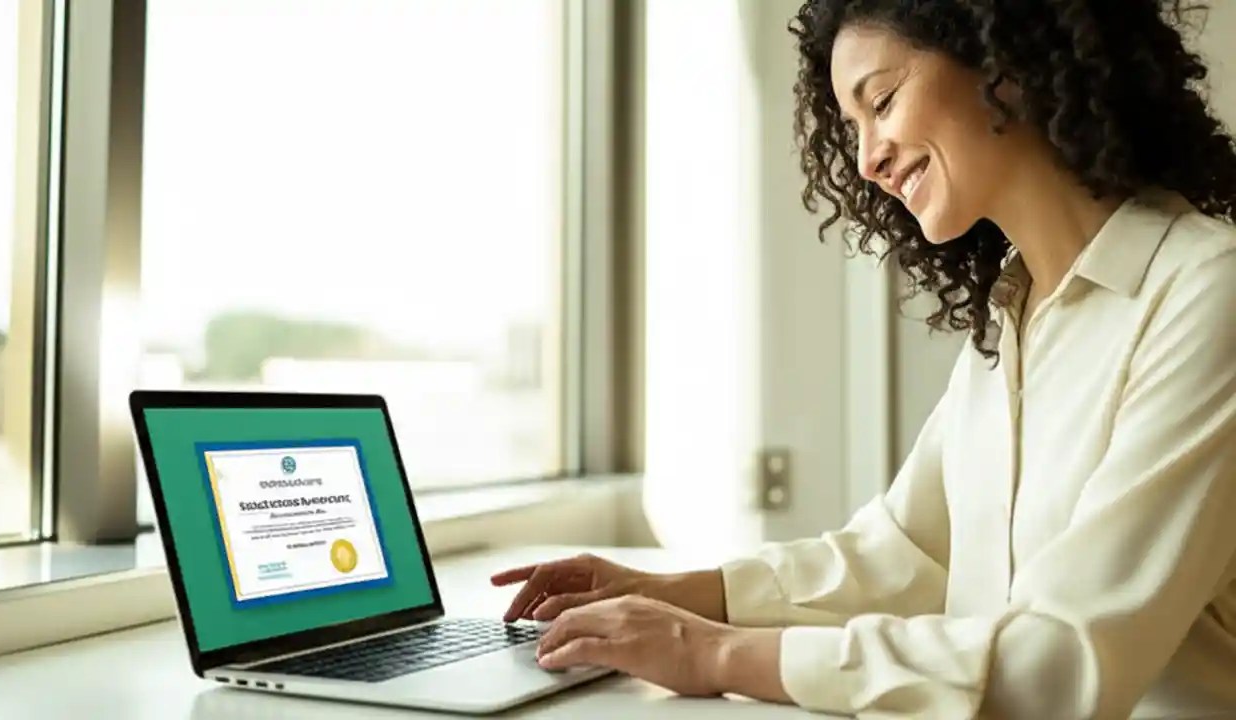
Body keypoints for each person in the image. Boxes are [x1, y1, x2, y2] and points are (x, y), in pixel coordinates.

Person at [491, 0, 1236, 717]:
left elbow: (1058, 663)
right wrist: (678, 592)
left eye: (880, 102)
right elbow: (906, 553)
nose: (868, 159)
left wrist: (717, 653)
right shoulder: (1015, 315)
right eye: (851, 126)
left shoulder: (1208, 294)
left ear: (1003, 61)